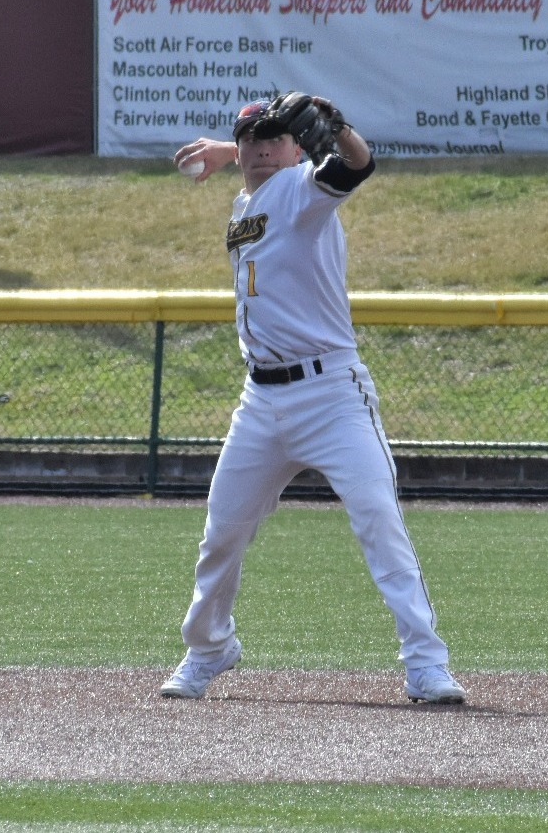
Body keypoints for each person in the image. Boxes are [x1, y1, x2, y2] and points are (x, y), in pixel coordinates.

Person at [158, 92, 467, 704]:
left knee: (379, 521)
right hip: (260, 402)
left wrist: (342, 130)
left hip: (331, 395)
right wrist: (231, 149)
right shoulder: (250, 195)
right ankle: (210, 647)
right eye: (252, 138)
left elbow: (355, 166)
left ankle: (426, 663)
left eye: (275, 137)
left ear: (299, 145)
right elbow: (257, 165)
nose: (261, 146)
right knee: (222, 533)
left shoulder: (303, 187)